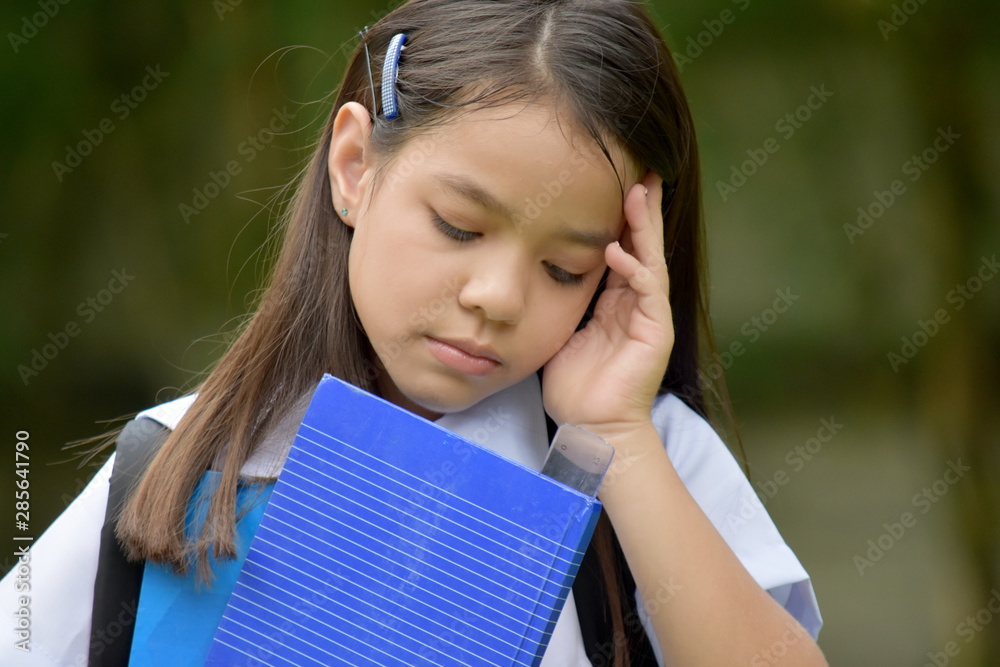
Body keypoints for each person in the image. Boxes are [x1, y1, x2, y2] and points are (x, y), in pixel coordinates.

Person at [0, 0, 827, 664]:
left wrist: (616, 435)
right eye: (461, 227)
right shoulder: (182, 455)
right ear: (355, 166)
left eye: (565, 269)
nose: (497, 296)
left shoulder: (634, 454)